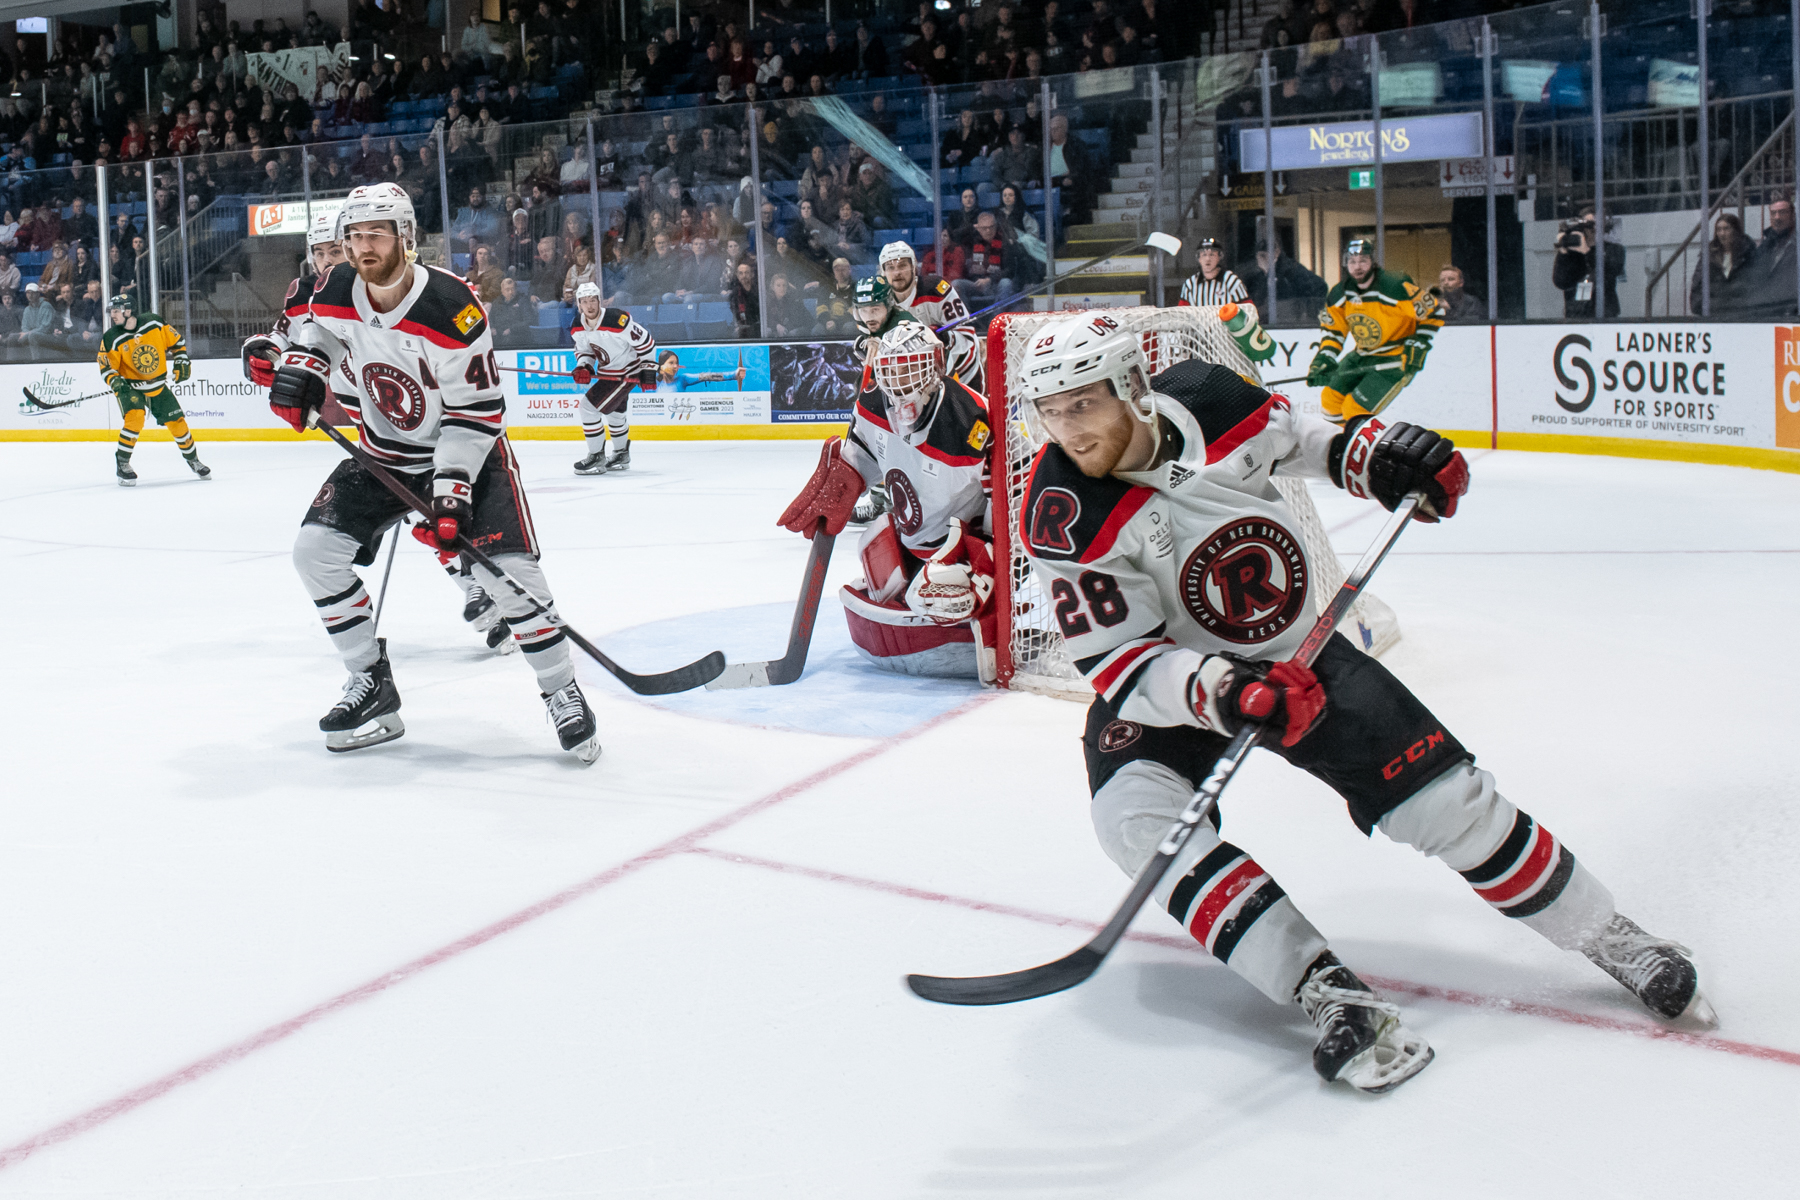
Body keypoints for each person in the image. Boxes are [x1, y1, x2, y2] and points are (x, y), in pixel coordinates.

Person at [1002, 311, 1715, 1092]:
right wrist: (1222, 692)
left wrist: (1377, 461)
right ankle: (1327, 992)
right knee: (1133, 818)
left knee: (1452, 808)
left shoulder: (1210, 396)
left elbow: (1302, 439)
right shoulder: (1063, 510)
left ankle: (1614, 938)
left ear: (1134, 387)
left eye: (1085, 404)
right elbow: (1123, 663)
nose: (1068, 430)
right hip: (1181, 685)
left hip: (1295, 654)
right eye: (1052, 411)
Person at [241, 182, 601, 763]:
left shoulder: (452, 308)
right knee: (314, 553)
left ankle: (562, 690)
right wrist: (299, 367)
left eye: (375, 235)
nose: (362, 247)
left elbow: (477, 412)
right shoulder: (334, 285)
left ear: (405, 237)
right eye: (353, 236)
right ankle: (370, 681)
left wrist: (452, 493)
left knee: (512, 578)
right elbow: (319, 332)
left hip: (467, 455)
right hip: (384, 453)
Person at [776, 320, 996, 680]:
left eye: (910, 374)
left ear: (936, 365)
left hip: (960, 552)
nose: (900, 388)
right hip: (910, 540)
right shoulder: (873, 404)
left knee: (939, 592)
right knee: (874, 542)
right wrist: (842, 481)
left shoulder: (972, 423)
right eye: (891, 375)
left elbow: (1006, 509)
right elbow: (861, 458)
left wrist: (989, 564)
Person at [1308, 238, 1443, 425]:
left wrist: (1419, 342)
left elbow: (1435, 310)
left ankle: (1361, 451)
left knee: (1354, 410)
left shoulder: (1395, 287)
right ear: (1346, 263)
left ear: (1373, 261)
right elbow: (1333, 332)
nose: (1358, 267)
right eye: (1353, 261)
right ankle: (1342, 449)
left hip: (1395, 358)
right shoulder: (1339, 294)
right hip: (1361, 355)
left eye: (1363, 260)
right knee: (1330, 399)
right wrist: (1324, 359)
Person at [98, 293, 205, 486]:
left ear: (128, 310)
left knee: (177, 422)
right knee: (135, 418)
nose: (112, 315)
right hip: (130, 387)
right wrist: (115, 381)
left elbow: (176, 342)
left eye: (116, 311)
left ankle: (193, 460)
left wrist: (181, 359)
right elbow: (106, 368)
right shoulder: (111, 337)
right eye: (111, 311)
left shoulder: (154, 323)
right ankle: (122, 463)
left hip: (156, 385)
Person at [568, 283, 654, 475]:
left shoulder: (616, 320)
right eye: (584, 302)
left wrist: (648, 370)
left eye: (593, 300)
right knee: (615, 414)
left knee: (587, 408)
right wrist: (584, 366)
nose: (589, 306)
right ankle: (621, 454)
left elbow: (646, 342)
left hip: (626, 373)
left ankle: (597, 456)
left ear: (600, 300)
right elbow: (584, 350)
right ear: (579, 304)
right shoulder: (577, 325)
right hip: (608, 373)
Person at [878, 241, 981, 392]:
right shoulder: (881, 300)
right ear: (883, 272)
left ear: (914, 267)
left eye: (902, 266)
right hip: (911, 379)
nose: (897, 273)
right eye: (890, 268)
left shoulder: (936, 290)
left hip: (961, 375)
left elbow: (968, 338)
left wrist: (944, 337)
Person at [1551, 204, 1625, 320]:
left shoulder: (1614, 250)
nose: (1592, 230)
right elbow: (1561, 282)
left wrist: (1586, 251)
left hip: (1604, 315)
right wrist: (1564, 252)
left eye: (1596, 225)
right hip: (1576, 315)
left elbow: (1607, 273)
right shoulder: (1574, 252)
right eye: (1588, 225)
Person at [1235, 237, 1327, 327]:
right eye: (1259, 256)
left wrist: (1309, 312)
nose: (1261, 260)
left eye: (1264, 256)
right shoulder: (1257, 278)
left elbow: (1320, 286)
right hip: (1266, 323)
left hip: (1290, 323)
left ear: (1277, 253)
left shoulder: (1292, 270)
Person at [1690, 213, 1757, 317]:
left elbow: (1754, 288)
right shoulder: (1708, 256)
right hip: (1714, 318)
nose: (1722, 233)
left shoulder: (1749, 254)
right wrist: (1718, 306)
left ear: (1736, 231)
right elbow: (1697, 293)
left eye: (1726, 229)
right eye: (1718, 229)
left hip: (1742, 318)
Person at [1749, 195, 1797, 318]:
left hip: (1792, 315)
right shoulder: (1766, 244)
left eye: (1782, 212)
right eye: (1773, 213)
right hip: (1766, 313)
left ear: (1793, 216)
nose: (1777, 217)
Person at [1179, 236, 1250, 311]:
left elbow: (1248, 310)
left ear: (1219, 257)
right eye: (1204, 255)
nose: (1208, 259)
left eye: (1212, 254)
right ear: (1198, 259)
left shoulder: (1232, 282)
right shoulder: (1190, 285)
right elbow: (1182, 314)